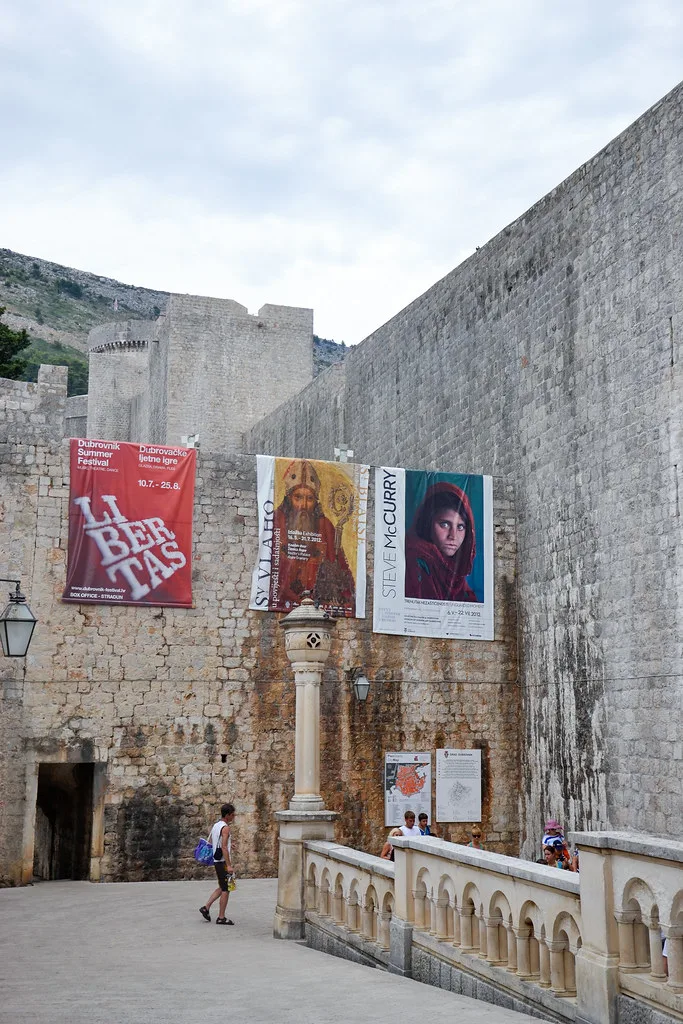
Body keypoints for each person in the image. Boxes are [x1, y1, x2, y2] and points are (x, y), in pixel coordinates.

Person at [271, 459, 354, 610]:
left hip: (317, 604)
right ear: (289, 499)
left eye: (309, 498)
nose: (303, 505)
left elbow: (342, 572)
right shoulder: (276, 521)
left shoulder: (326, 526)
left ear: (315, 502)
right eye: (298, 497)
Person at [404, 482, 479, 602]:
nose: (453, 536)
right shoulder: (413, 563)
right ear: (428, 523)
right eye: (444, 524)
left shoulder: (457, 577)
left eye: (460, 527)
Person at [199, 803, 236, 925]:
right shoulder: (225, 828)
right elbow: (224, 847)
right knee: (226, 889)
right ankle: (221, 917)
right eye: (232, 814)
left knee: (222, 886)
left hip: (217, 861)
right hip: (222, 862)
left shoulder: (216, 825)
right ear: (227, 815)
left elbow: (215, 841)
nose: (234, 816)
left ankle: (206, 907)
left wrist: (230, 844)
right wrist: (229, 865)